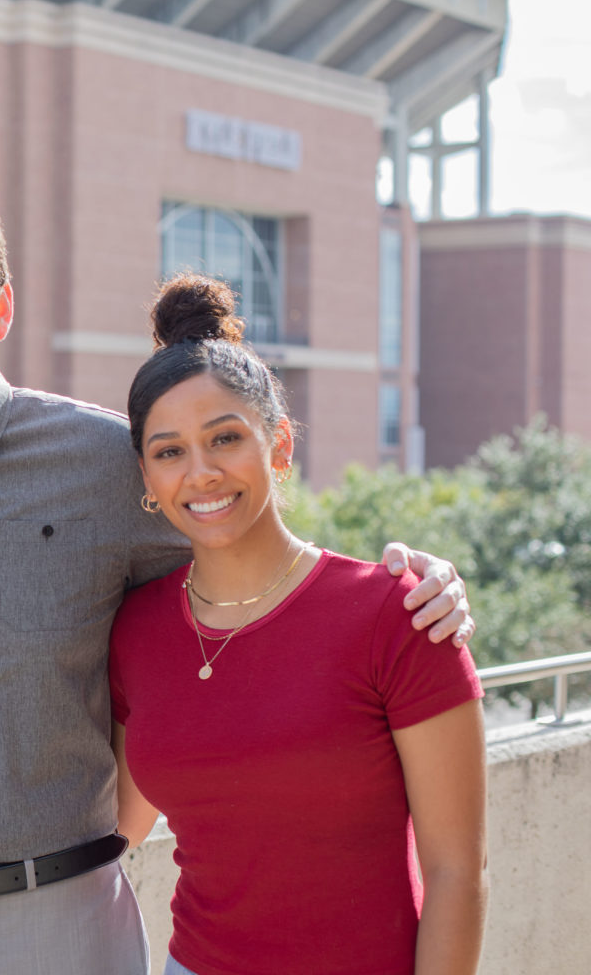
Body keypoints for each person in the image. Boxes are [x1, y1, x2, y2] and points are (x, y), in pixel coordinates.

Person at [0, 165, 475, 973]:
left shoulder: (110, 462)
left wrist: (415, 581)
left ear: (3, 306)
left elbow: (248, 564)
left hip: (66, 921)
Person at [109, 273, 487, 975]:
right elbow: (120, 826)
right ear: (147, 477)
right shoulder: (135, 628)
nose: (201, 473)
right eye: (169, 451)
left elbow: (459, 873)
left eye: (225, 438)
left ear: (279, 444)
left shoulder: (399, 613)